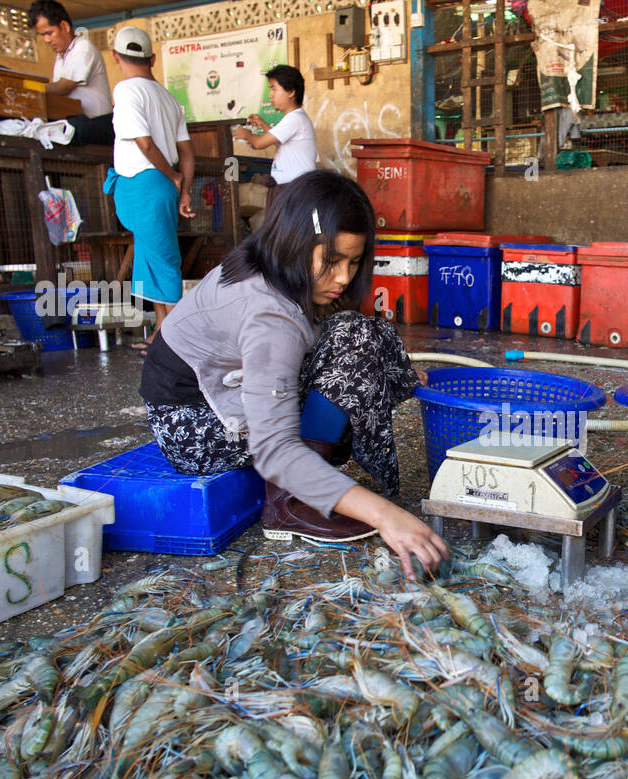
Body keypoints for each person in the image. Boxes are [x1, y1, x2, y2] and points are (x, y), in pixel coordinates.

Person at [139, 170, 447, 579]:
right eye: (332, 261)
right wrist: (387, 516)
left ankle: (316, 477)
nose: (343, 278)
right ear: (297, 242)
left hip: (222, 388)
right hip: (192, 424)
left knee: (364, 335)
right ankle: (290, 505)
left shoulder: (270, 259)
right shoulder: (270, 314)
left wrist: (394, 372)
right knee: (354, 348)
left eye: (353, 263)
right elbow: (274, 448)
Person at [103, 25, 194, 340]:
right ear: (152, 58)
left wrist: (172, 177)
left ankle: (176, 335)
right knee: (149, 253)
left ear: (116, 56)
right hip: (158, 185)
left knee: (164, 258)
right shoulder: (169, 99)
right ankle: (160, 328)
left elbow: (144, 143)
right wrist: (183, 189)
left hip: (146, 183)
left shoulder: (126, 90)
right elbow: (186, 153)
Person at [29, 1, 114, 146]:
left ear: (64, 26)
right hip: (81, 123)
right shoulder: (60, 58)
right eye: (42, 35)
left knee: (65, 130)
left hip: (98, 124)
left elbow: (63, 87)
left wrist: (29, 88)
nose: (46, 40)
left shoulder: (83, 48)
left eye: (49, 33)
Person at [231, 65, 317, 207]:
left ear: (290, 92)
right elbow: (277, 140)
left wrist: (245, 134)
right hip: (289, 188)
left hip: (295, 190)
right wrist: (262, 124)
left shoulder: (294, 119)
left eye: (274, 89)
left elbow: (259, 143)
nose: (270, 95)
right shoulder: (294, 118)